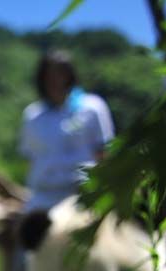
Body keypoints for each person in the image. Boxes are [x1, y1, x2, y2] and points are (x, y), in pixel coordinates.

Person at [19, 50, 114, 212]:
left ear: (70, 75)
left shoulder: (93, 107)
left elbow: (103, 152)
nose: (55, 80)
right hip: (43, 196)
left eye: (60, 73)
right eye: (50, 75)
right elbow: (31, 158)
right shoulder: (33, 114)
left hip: (83, 194)